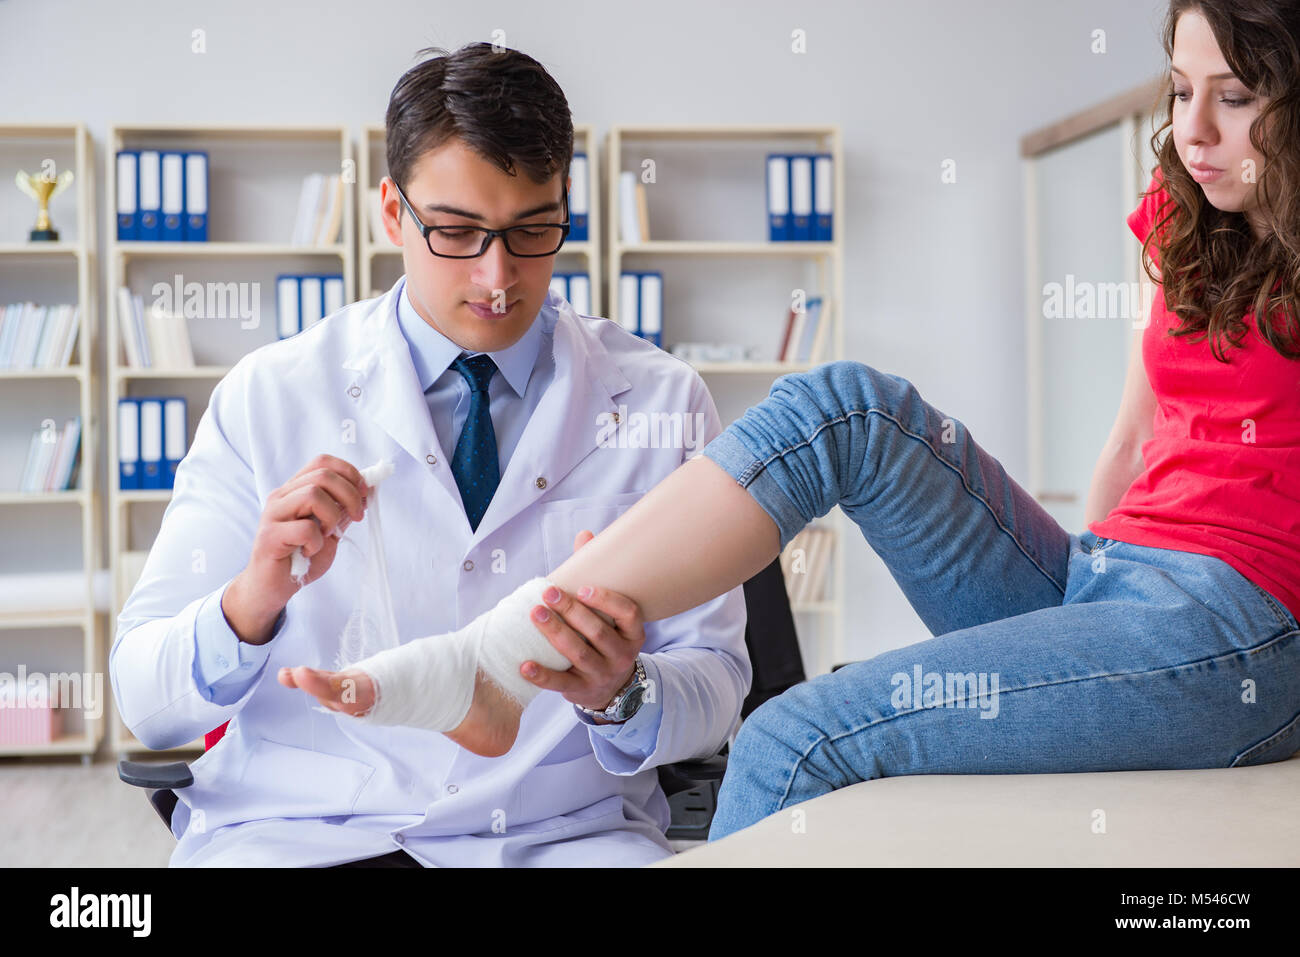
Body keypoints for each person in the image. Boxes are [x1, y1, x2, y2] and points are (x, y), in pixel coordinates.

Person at [285, 0, 1300, 845]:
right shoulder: (1182, 220)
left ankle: (489, 665)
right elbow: (1131, 441)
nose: (1193, 131)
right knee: (843, 406)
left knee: (793, 735)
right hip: (1107, 578)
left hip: (1241, 629)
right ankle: (496, 662)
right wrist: (1084, 622)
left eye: (1236, 97)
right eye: (1178, 89)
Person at [110, 43, 749, 867]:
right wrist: (250, 600)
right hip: (298, 830)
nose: (497, 276)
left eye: (533, 229)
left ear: (566, 205)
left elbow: (719, 688)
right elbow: (144, 700)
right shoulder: (268, 397)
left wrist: (623, 692)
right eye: (455, 232)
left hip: (559, 833)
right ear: (390, 212)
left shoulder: (663, 404)